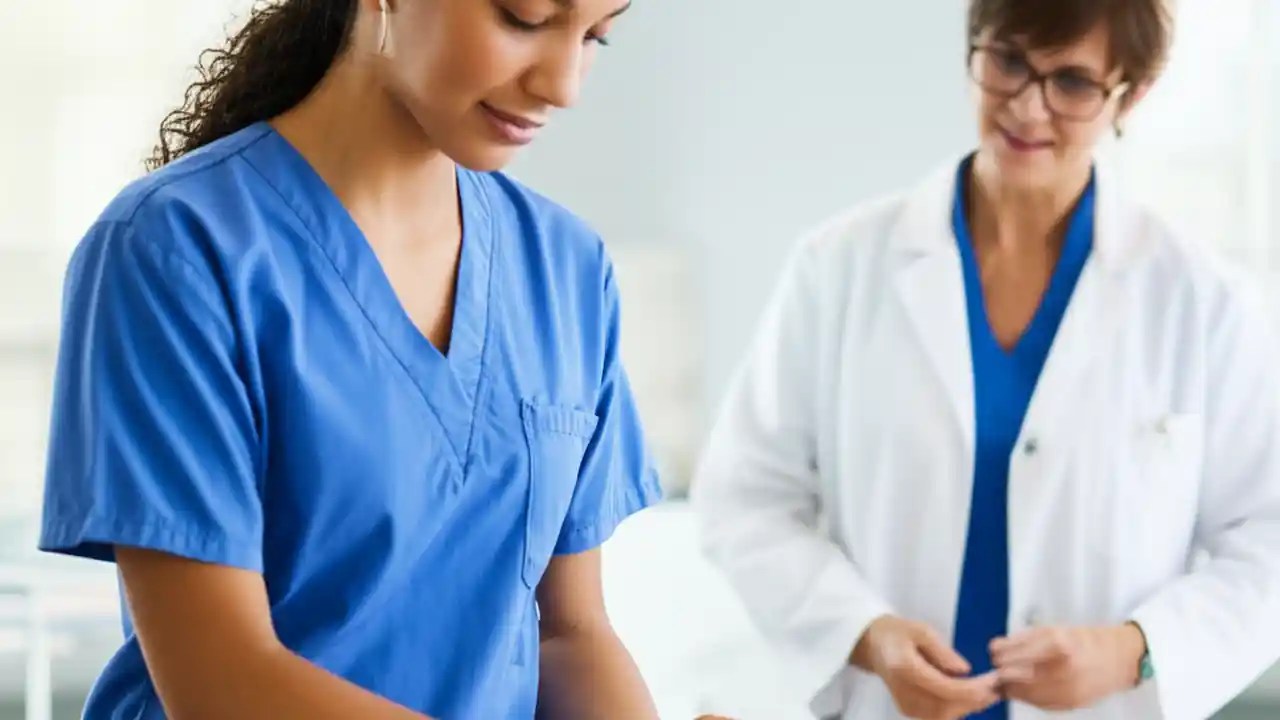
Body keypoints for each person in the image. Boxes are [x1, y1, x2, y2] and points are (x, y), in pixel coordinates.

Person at [37, 0, 665, 718]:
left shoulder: (567, 270)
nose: (563, 86)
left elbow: (570, 634)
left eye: (596, 37)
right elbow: (220, 678)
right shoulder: (174, 249)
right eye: (523, 19)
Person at [691, 0, 1280, 718]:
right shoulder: (839, 266)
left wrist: (1133, 650)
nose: (1028, 108)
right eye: (1008, 62)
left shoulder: (1203, 300)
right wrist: (864, 634)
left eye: (1072, 82)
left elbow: (1267, 542)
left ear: (1131, 96)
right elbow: (744, 499)